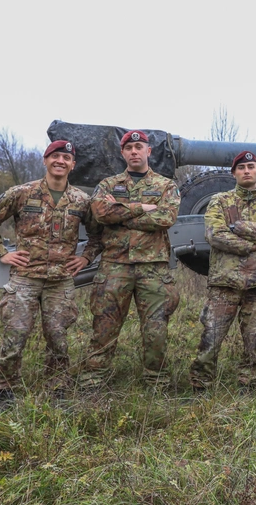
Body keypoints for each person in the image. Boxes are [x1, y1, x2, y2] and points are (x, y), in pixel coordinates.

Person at [0, 140, 103, 413]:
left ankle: (58, 390)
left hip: (60, 280)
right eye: (55, 156)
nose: (60, 161)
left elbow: (98, 235)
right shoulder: (21, 193)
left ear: (73, 165)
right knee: (15, 336)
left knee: (58, 339)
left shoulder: (81, 200)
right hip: (25, 277)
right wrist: (1, 253)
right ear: (45, 161)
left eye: (66, 158)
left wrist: (86, 257)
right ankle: (4, 392)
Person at [77, 130, 180, 392]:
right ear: (122, 153)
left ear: (149, 152)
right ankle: (93, 381)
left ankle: (156, 383)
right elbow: (100, 212)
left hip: (153, 269)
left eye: (139, 146)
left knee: (156, 330)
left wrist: (120, 212)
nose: (134, 151)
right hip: (115, 266)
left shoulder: (166, 185)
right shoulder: (108, 185)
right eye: (129, 147)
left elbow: (166, 218)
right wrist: (144, 207)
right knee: (104, 326)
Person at [189, 151, 256, 394]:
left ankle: (249, 387)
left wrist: (238, 227)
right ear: (234, 173)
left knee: (255, 343)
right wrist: (251, 245)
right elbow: (214, 234)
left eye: (251, 166)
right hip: (224, 284)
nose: (246, 170)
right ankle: (201, 387)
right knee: (210, 340)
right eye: (241, 167)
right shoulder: (220, 201)